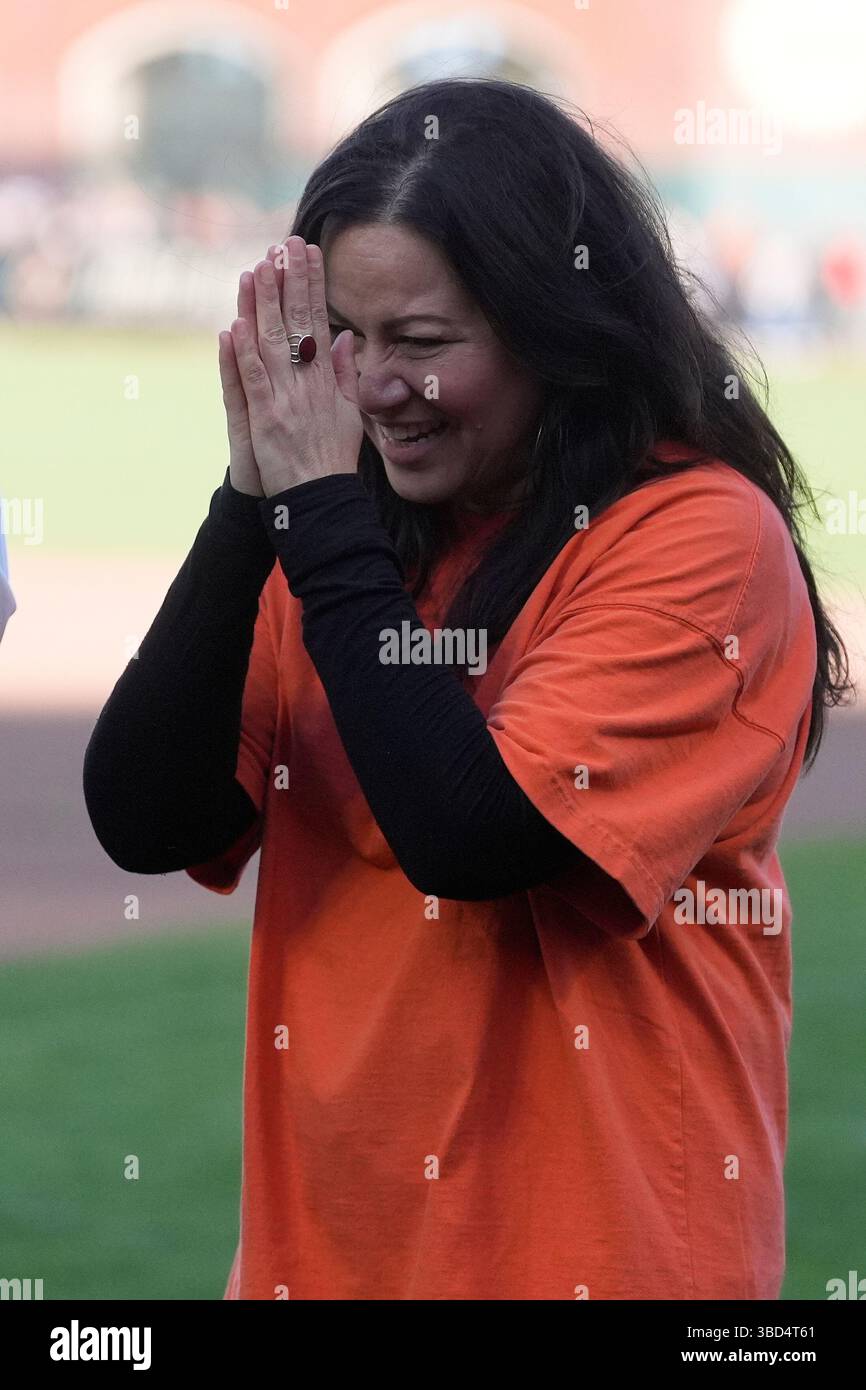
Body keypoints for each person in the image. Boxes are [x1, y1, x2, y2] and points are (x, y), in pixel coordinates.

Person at [83, 78, 851, 1300]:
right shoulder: (345, 535)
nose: (372, 385)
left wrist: (317, 517)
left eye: (422, 344)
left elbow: (471, 832)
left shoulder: (699, 538)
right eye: (341, 337)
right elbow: (148, 816)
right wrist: (247, 503)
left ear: (555, 329)